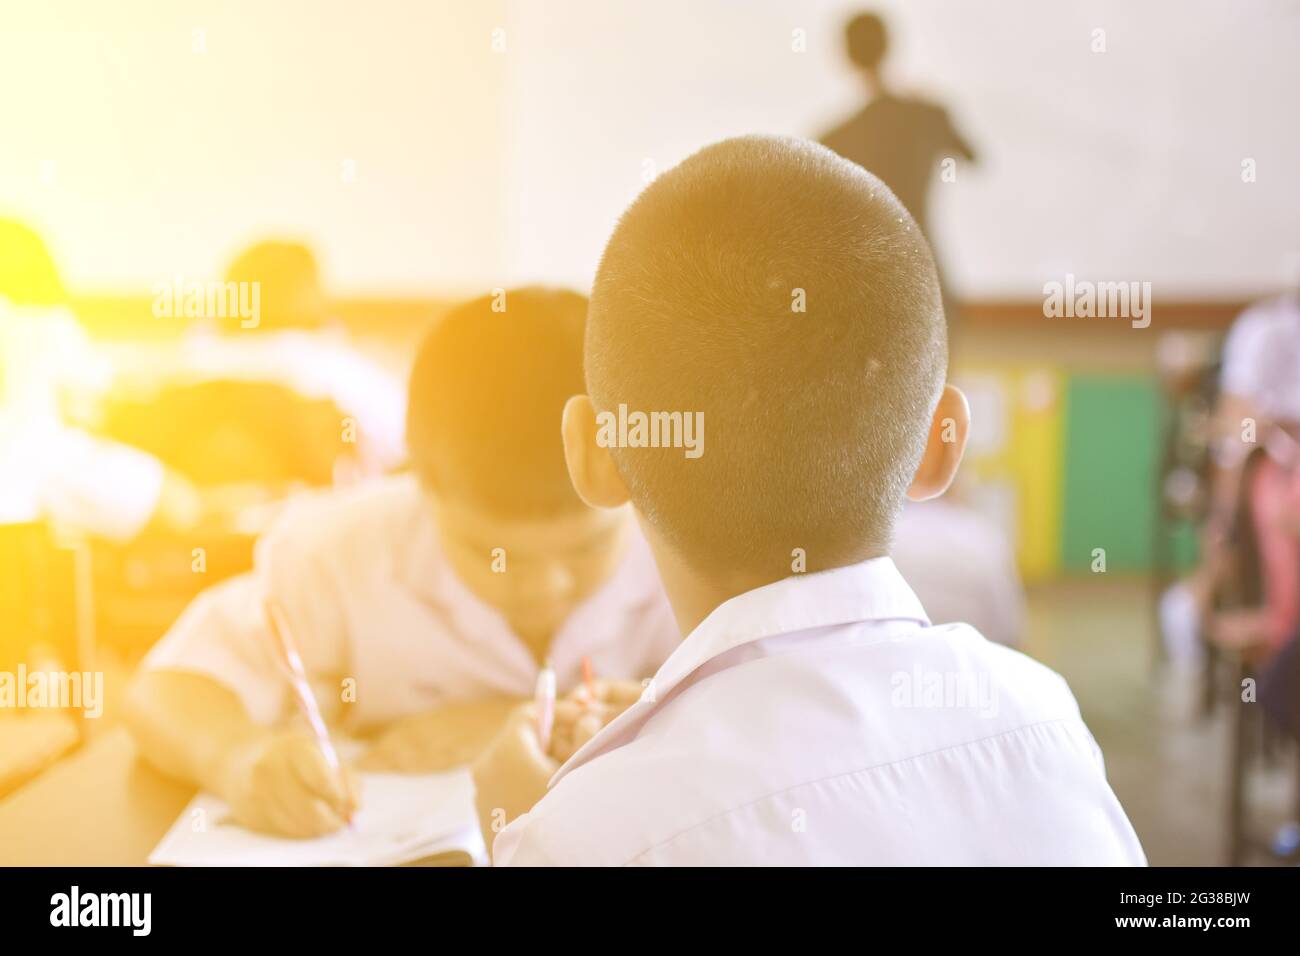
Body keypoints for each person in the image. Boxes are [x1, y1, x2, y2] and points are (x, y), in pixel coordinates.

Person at [473, 136, 1145, 866]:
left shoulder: (582, 834)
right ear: (942, 445)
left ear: (591, 455)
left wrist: (515, 823)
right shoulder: (1041, 718)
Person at [125, 288, 678, 838]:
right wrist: (236, 756)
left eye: (587, 549)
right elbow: (164, 688)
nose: (546, 586)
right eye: (494, 555)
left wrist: (513, 721)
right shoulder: (336, 554)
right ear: (420, 486)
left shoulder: (688, 548)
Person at [819, 11, 975, 326]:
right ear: (890, 46)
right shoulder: (929, 115)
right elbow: (973, 156)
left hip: (869, 290)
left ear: (846, 56)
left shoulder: (834, 139)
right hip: (930, 280)